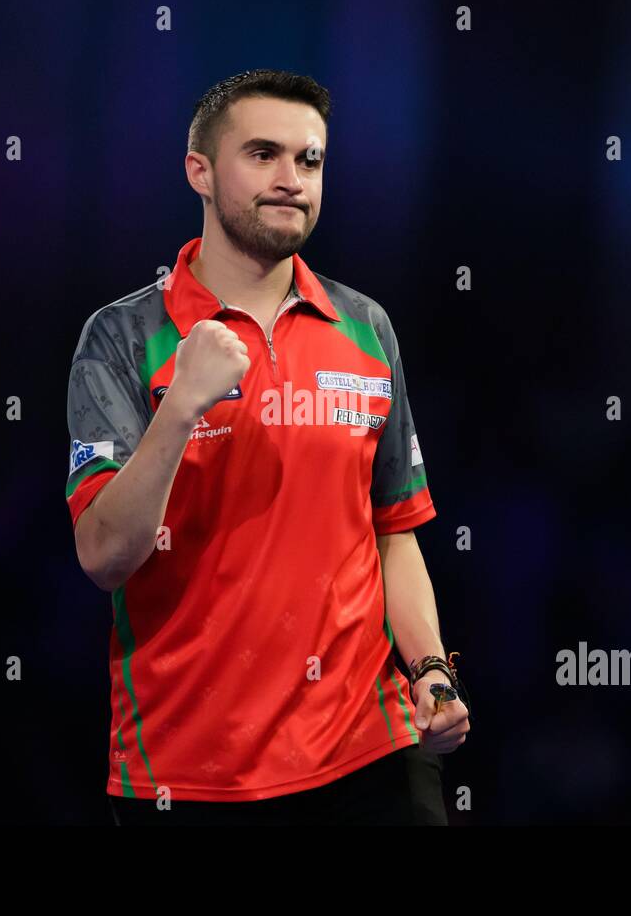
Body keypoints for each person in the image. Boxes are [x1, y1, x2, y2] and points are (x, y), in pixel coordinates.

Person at [65, 69, 469, 825]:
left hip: (369, 745)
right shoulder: (121, 337)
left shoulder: (366, 326)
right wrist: (180, 406)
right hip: (190, 770)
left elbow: (393, 529)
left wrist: (432, 669)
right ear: (200, 171)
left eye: (309, 160)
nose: (291, 179)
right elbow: (102, 555)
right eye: (262, 154)